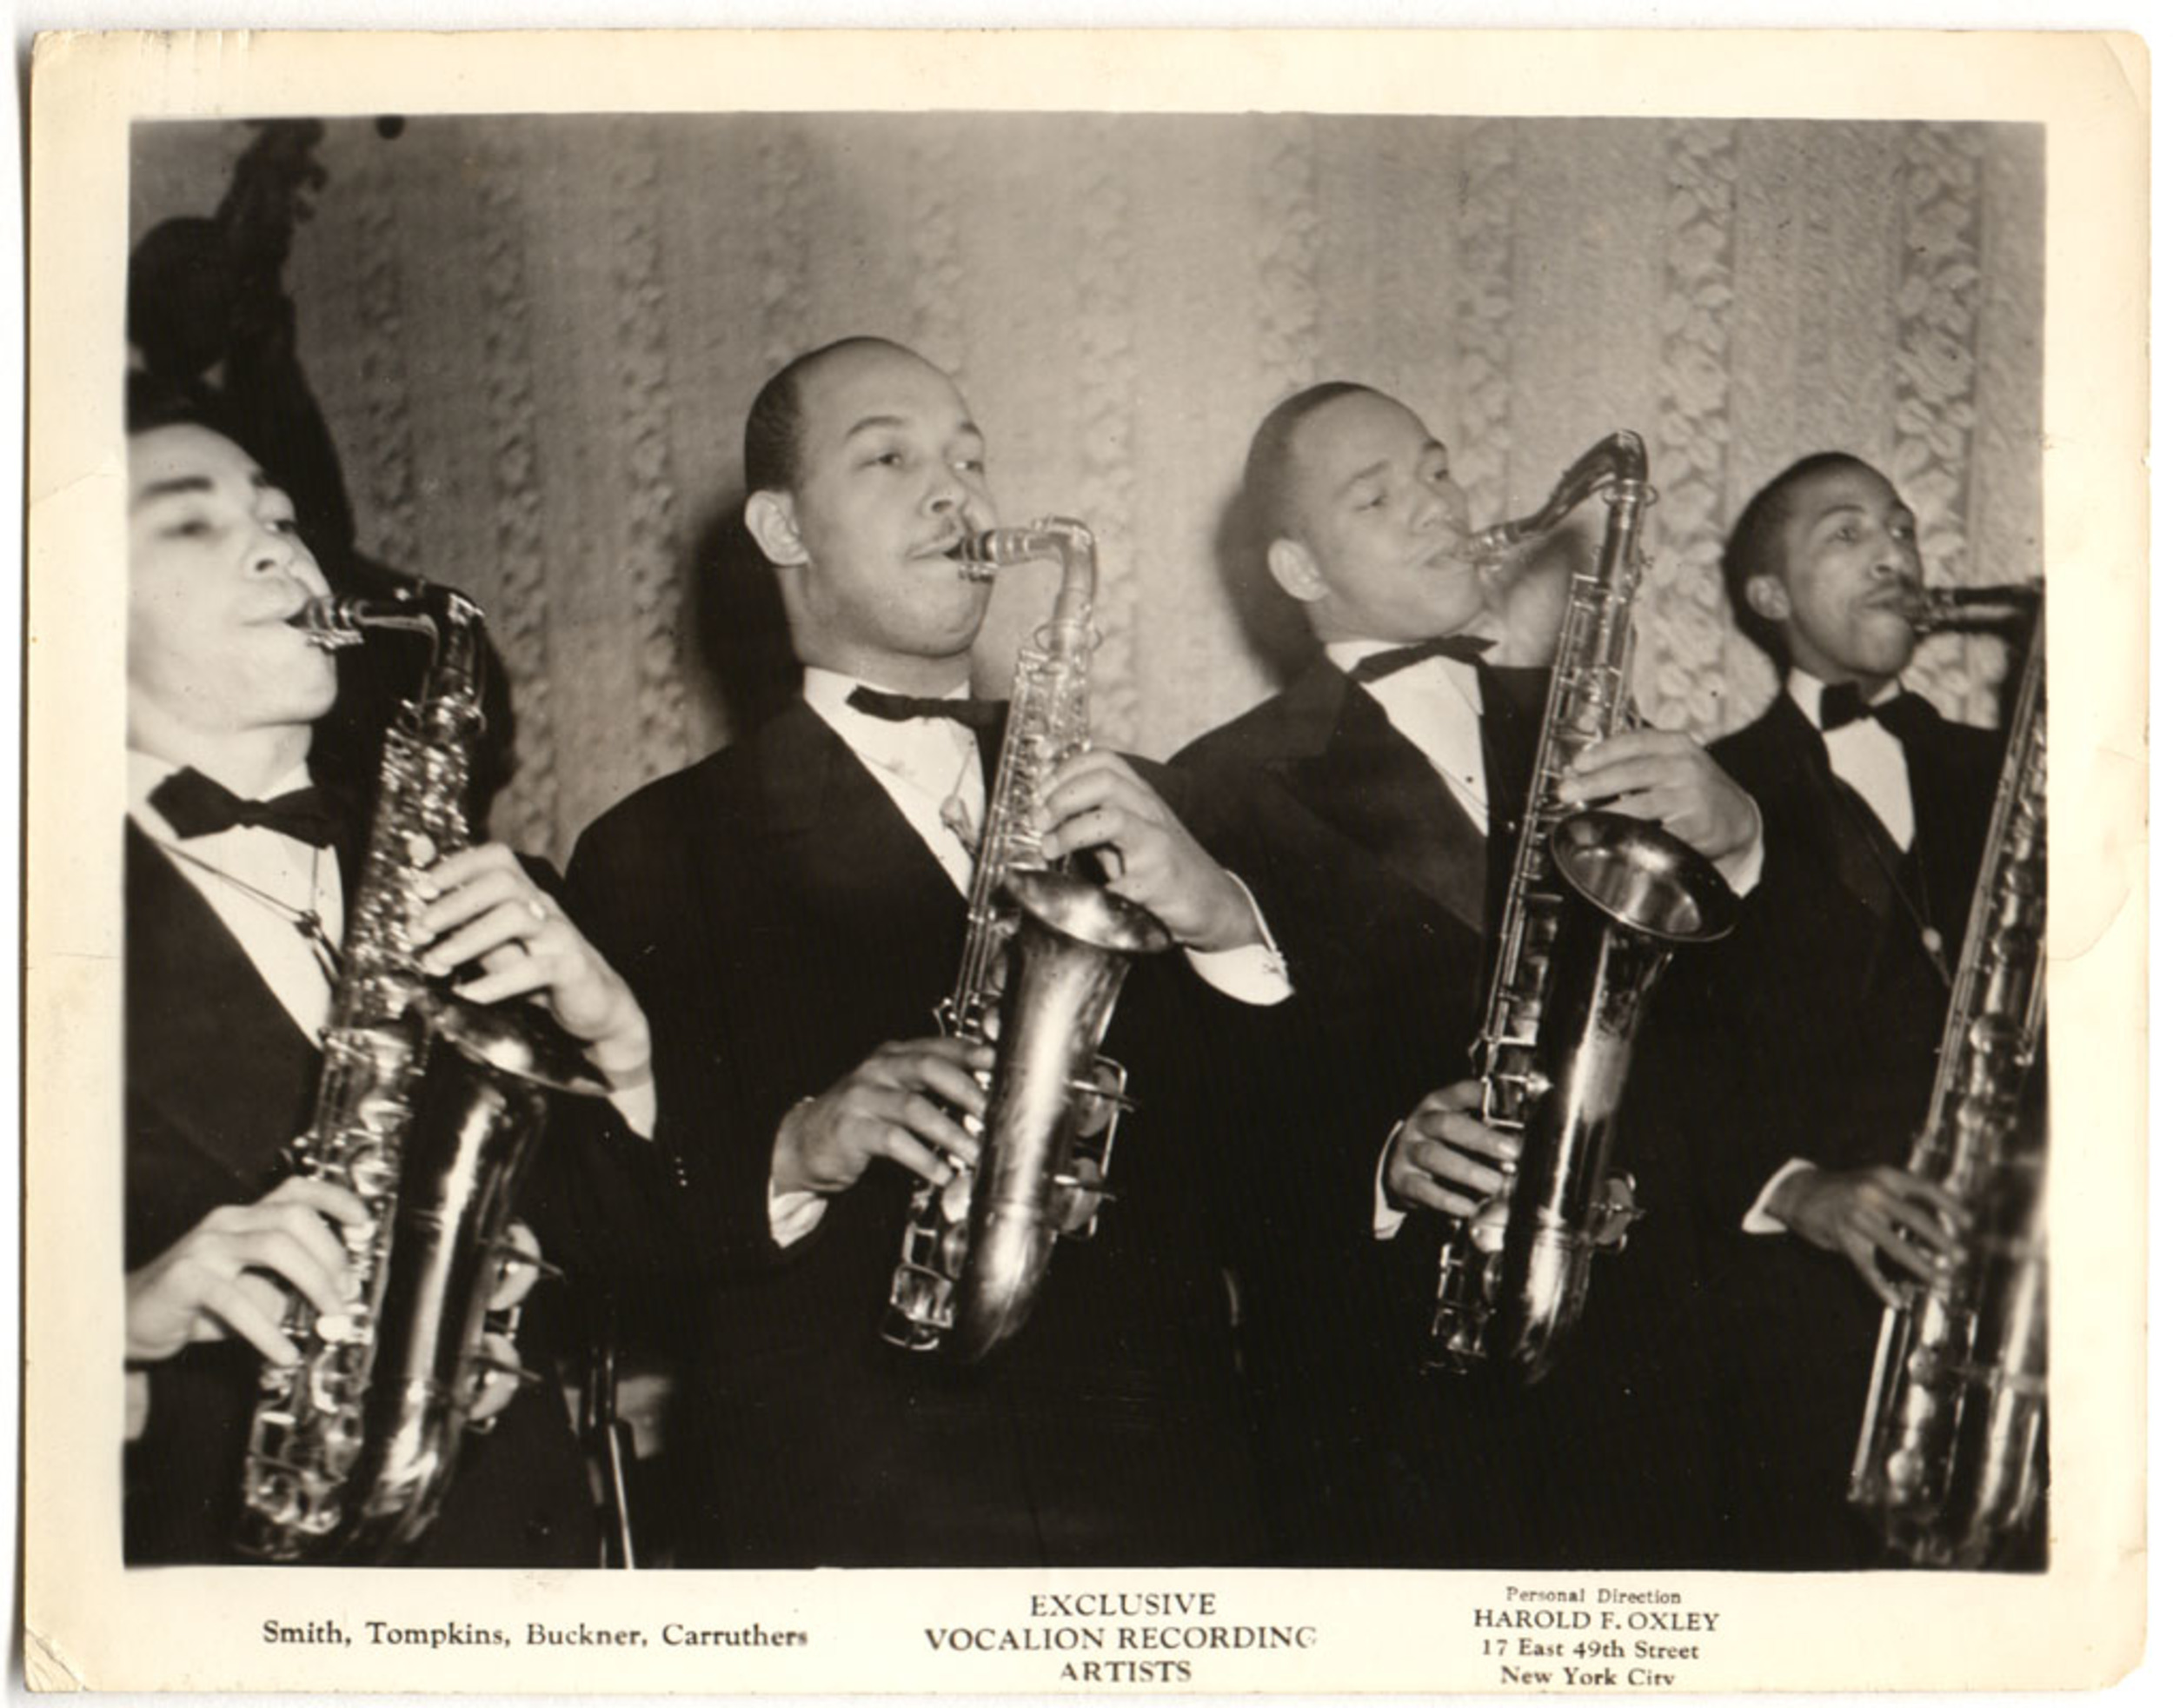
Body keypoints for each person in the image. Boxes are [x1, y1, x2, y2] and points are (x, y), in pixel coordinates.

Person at [565, 336, 1288, 1567]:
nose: (959, 492)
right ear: (784, 529)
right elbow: (610, 1221)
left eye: (970, 457)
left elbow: (1284, 1175)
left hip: (1163, 1510)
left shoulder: (1151, 807)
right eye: (891, 457)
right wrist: (799, 1144)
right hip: (856, 1521)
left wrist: (1226, 925)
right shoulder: (654, 846)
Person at [1174, 382, 1762, 1565]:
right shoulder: (1211, 785)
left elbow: (1728, 1034)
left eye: (1437, 468)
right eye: (1379, 493)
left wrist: (1739, 840)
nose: (1438, 505)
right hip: (1389, 1399)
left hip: (1644, 1365)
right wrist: (1382, 1161)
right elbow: (1202, 1111)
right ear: (1296, 566)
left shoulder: (1587, 719)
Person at [123, 415, 668, 1565]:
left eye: (279, 515)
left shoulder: (468, 879)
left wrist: (620, 1050)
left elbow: (633, 1270)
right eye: (192, 520)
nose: (277, 547)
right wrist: (111, 1321)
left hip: (514, 1567)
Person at [1687, 450, 2006, 1567]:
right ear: (1766, 599)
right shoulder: (1698, 790)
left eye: (1903, 529)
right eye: (1844, 532)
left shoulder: (2018, 771)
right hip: (1800, 1333)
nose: (1893, 554)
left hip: (2019, 1298)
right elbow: (1667, 1065)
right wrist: (1795, 1190)